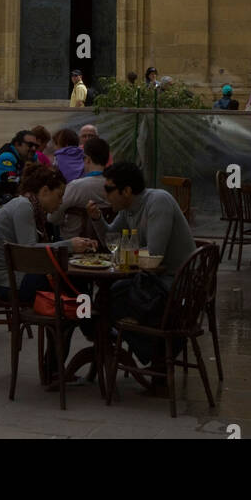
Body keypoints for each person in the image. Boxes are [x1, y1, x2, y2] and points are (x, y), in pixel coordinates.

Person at [86, 161, 195, 381]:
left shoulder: (158, 202)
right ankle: (123, 344)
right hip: (153, 279)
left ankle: (153, 355)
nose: (105, 195)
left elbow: (154, 256)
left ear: (126, 191)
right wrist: (97, 219)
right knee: (106, 297)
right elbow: (111, 241)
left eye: (108, 189)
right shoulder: (128, 209)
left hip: (177, 285)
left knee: (111, 300)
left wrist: (120, 256)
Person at [0, 164, 95, 302]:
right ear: (45, 191)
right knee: (78, 285)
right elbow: (30, 250)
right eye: (59, 196)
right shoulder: (24, 206)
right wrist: (69, 245)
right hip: (9, 283)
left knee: (76, 283)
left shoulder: (27, 204)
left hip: (9, 278)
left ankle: (82, 318)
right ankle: (83, 319)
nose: (61, 202)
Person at [47, 136, 111, 240]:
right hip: (106, 241)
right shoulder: (115, 186)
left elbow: (52, 217)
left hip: (75, 244)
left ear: (88, 159)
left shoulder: (76, 186)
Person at [0, 130, 38, 203]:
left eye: (36, 146)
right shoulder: (7, 157)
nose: (34, 148)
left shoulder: (31, 157)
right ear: (17, 144)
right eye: (30, 145)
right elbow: (9, 188)